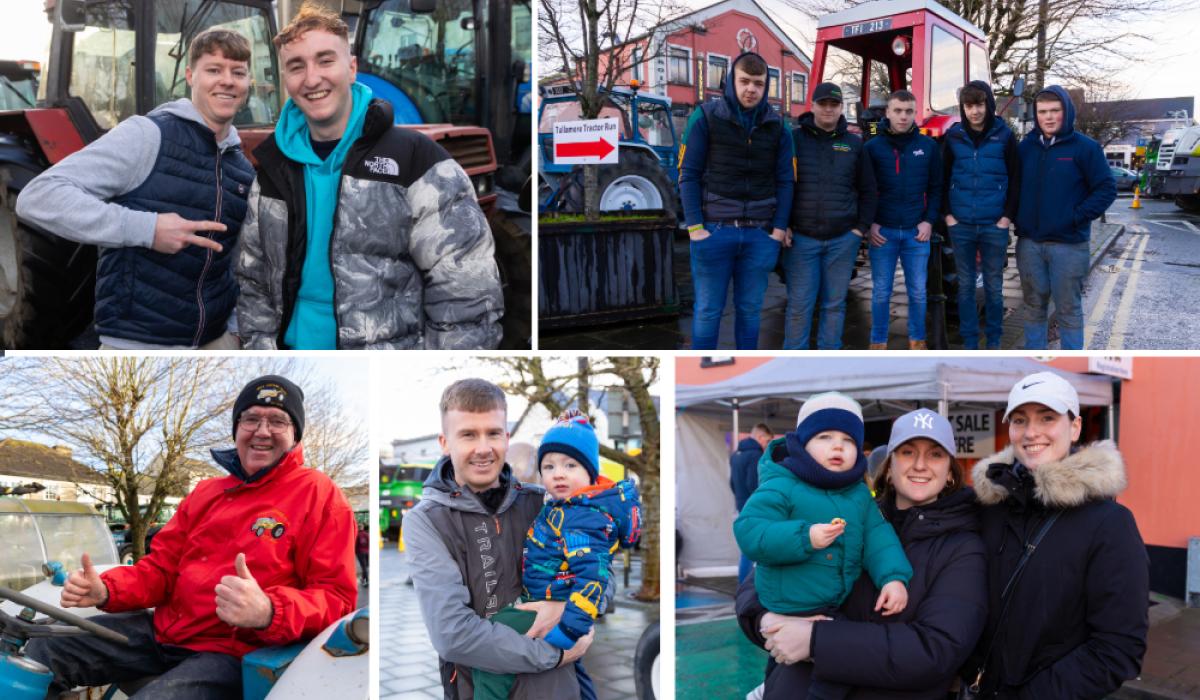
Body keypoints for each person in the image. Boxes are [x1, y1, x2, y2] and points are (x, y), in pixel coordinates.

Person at [25, 375, 358, 698]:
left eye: (278, 421)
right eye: (251, 419)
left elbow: (337, 598)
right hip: (164, 632)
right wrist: (107, 589)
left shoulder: (320, 495)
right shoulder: (206, 492)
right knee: (42, 648)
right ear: (237, 429)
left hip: (234, 651)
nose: (262, 431)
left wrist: (270, 610)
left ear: (296, 434)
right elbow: (160, 569)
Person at [236, 2, 503, 350]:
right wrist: (260, 349)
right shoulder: (272, 168)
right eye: (296, 66)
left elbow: (466, 287)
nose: (312, 78)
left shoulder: (415, 159)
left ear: (351, 69)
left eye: (325, 60)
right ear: (285, 79)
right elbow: (253, 278)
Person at [15, 28, 254, 350]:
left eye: (237, 72)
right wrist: (148, 228)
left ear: (249, 82)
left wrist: (235, 332)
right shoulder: (146, 136)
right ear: (190, 75)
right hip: (138, 346)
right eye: (214, 70)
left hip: (214, 344)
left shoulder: (241, 165)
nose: (227, 81)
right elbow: (38, 197)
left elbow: (239, 259)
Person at [736, 408, 988, 699]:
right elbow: (755, 585)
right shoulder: (849, 512)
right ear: (889, 467)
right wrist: (766, 621)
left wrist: (815, 641)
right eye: (907, 452)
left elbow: (936, 649)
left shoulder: (963, 546)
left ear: (950, 473)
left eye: (935, 454)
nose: (920, 465)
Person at [403, 379, 591, 698]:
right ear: (445, 442)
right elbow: (454, 635)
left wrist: (570, 606)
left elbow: (598, 571)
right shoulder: (426, 520)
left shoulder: (542, 502)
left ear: (506, 437)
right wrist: (554, 654)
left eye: (493, 433)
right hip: (480, 688)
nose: (483, 448)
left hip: (560, 688)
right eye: (468, 434)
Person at [966, 372, 1147, 698]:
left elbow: (1118, 647)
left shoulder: (1110, 524)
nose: (1031, 432)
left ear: (1074, 427)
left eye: (1047, 418)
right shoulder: (990, 507)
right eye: (1019, 420)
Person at [733, 392, 913, 700]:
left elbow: (879, 538)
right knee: (793, 668)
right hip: (788, 603)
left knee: (833, 667)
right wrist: (805, 537)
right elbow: (750, 531)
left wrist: (894, 577)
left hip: (831, 607)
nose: (838, 446)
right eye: (825, 436)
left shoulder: (857, 496)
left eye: (848, 439)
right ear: (802, 444)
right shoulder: (782, 484)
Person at [472, 412, 641, 699]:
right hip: (549, 600)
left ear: (590, 471)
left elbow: (593, 577)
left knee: (491, 644)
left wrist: (570, 626)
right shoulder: (564, 507)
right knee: (577, 671)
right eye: (548, 466)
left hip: (560, 608)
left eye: (570, 465)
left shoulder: (583, 517)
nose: (558, 473)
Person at [678, 52, 794, 349]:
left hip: (760, 235)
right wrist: (695, 228)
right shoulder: (704, 117)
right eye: (744, 81)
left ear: (767, 86)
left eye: (758, 83)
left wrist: (779, 229)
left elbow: (786, 180)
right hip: (713, 232)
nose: (751, 89)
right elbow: (687, 175)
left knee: (750, 312)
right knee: (707, 311)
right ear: (731, 80)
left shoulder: (779, 127)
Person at [1015, 87, 1116, 350]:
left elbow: (1106, 189)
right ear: (1036, 115)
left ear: (1066, 112)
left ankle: (1072, 363)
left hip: (1069, 245)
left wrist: (1076, 216)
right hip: (1030, 244)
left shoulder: (1086, 148)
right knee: (1033, 307)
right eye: (1043, 112)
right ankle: (1033, 360)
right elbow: (1012, 187)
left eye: (1055, 111)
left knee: (1068, 309)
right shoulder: (1025, 148)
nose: (1048, 117)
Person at [784, 82, 878, 350]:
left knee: (834, 306)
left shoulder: (854, 144)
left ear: (840, 108)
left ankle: (829, 355)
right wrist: (784, 224)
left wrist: (859, 229)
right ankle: (794, 361)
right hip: (802, 239)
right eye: (822, 103)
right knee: (799, 305)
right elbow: (780, 183)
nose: (828, 109)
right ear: (812, 105)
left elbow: (868, 190)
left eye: (833, 104)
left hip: (842, 241)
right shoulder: (793, 139)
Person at [942, 81, 1020, 350]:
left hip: (994, 225)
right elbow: (941, 178)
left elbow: (1016, 179)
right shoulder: (953, 137)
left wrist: (1006, 218)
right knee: (964, 288)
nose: (974, 111)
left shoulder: (1005, 136)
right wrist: (948, 215)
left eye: (979, 104)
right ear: (963, 108)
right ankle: (970, 342)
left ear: (988, 104)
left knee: (994, 288)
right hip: (961, 224)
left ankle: (995, 341)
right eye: (969, 105)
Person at [863, 90, 943, 350]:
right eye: (897, 110)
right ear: (887, 112)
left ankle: (917, 341)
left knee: (918, 292)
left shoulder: (928, 147)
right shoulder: (872, 148)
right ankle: (878, 342)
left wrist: (929, 221)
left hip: (915, 232)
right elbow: (865, 189)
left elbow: (936, 187)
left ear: (914, 113)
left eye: (909, 111)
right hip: (882, 232)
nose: (903, 116)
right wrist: (871, 223)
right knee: (881, 292)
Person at [730, 423, 773, 582]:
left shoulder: (735, 455)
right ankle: (746, 588)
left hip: (741, 506)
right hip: (755, 509)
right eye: (767, 440)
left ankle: (743, 586)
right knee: (753, 549)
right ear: (760, 437)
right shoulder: (756, 455)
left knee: (746, 549)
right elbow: (753, 483)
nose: (767, 444)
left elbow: (732, 483)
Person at [355, 521, 370, 587]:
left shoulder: (357, 535)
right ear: (363, 527)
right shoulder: (367, 534)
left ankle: (366, 581)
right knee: (366, 566)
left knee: (364, 567)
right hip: (367, 552)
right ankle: (364, 579)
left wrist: (355, 552)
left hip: (360, 552)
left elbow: (355, 544)